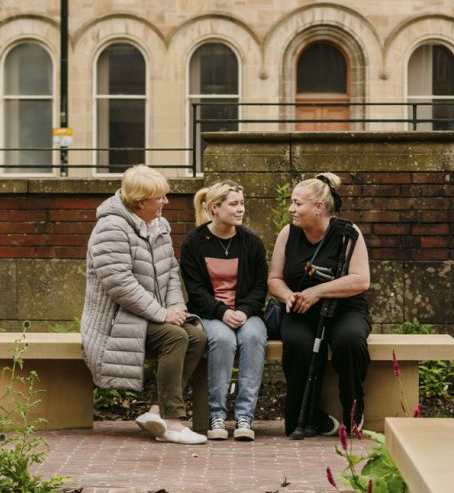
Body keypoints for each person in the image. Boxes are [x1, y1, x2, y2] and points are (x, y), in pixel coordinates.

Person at [80, 164, 208, 445]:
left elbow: (170, 272)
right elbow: (120, 285)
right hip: (116, 322)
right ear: (140, 202)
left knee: (196, 335)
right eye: (160, 198)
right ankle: (173, 422)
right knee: (174, 337)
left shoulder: (159, 224)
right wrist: (162, 314)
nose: (166, 202)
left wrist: (176, 309)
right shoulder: (110, 228)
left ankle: (157, 411)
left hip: (148, 317)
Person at [267, 172, 371, 436]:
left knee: (349, 341)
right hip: (301, 310)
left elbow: (360, 280)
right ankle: (309, 417)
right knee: (298, 345)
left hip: (345, 308)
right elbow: (274, 279)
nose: (291, 208)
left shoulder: (348, 233)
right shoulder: (287, 234)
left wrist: (317, 291)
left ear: (319, 207)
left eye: (297, 203)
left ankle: (353, 410)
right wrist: (289, 295)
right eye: (292, 202)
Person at [180, 180, 268, 442]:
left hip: (246, 313)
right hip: (210, 314)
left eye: (242, 203)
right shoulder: (195, 243)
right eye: (234, 204)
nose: (240, 209)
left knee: (253, 337)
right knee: (223, 339)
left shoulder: (251, 242)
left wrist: (243, 310)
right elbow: (195, 290)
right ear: (215, 208)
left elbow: (260, 287)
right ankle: (216, 415)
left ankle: (245, 416)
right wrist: (222, 312)